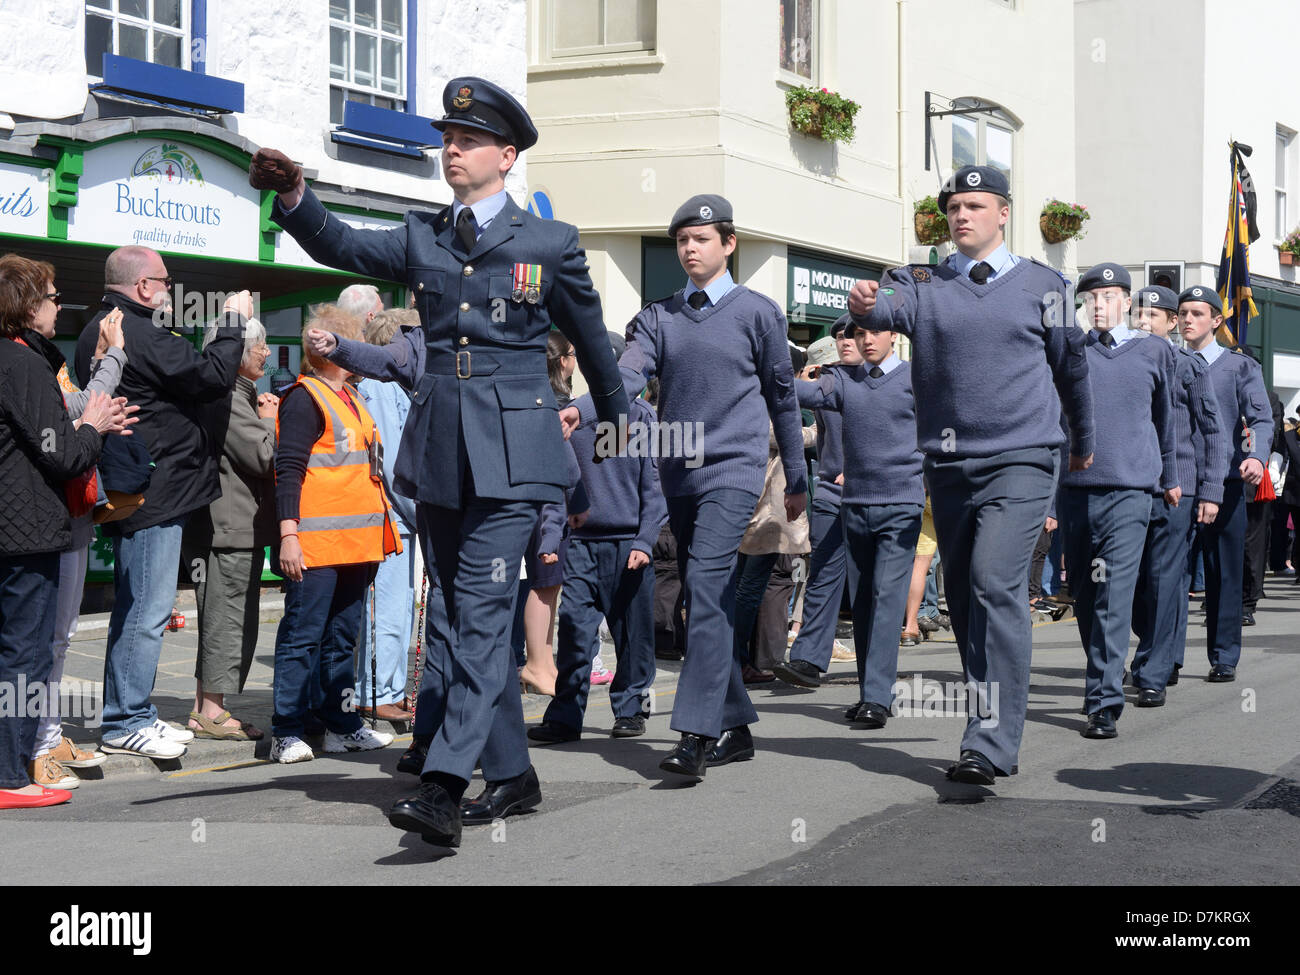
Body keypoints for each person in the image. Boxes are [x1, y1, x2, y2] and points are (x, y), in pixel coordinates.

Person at [256, 76, 628, 848]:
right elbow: (345, 245)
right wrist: (296, 195)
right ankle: (514, 771)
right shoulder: (424, 235)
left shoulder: (548, 244)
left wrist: (617, 432)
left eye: (465, 141)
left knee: (484, 616)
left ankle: (444, 784)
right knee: (461, 619)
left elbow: (595, 347)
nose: (450, 151)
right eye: (446, 141)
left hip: (516, 453)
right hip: (442, 452)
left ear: (506, 154)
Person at [849, 165, 1094, 785]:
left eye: (976, 206)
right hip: (949, 463)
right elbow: (891, 302)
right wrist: (870, 305)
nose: (963, 216)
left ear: (1004, 213)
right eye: (955, 207)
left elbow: (1072, 372)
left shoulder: (1049, 283)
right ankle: (986, 717)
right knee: (960, 597)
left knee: (993, 583)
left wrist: (1082, 443)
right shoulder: (925, 281)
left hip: (1023, 455)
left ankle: (990, 741)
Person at [590, 193, 806, 779]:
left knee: (705, 590)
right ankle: (736, 727)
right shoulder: (658, 316)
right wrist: (584, 408)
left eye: (702, 239)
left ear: (728, 244)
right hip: (679, 469)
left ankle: (694, 733)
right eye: (682, 240)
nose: (690, 249)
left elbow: (783, 398)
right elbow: (628, 374)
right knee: (701, 596)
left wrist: (797, 475)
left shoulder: (758, 313)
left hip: (735, 470)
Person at [73, 246, 252, 760]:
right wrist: (233, 323)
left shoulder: (103, 326)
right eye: (165, 281)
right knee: (146, 609)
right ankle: (125, 720)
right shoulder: (137, 330)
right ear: (143, 287)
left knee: (141, 605)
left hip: (145, 484)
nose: (171, 290)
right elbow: (213, 377)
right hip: (154, 488)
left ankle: (134, 713)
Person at [1, 254, 127, 808]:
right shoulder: (23, 363)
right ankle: (11, 777)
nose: (58, 307)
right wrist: (94, 427)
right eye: (52, 297)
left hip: (16, 528)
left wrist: (80, 422)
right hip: (26, 534)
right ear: (29, 306)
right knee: (23, 655)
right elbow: (64, 457)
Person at [270, 306, 400, 763]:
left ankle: (341, 723)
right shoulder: (305, 397)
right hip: (316, 545)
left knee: (341, 639)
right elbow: (288, 470)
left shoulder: (350, 396)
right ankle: (286, 730)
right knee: (302, 637)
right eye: (353, 346)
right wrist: (288, 536)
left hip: (355, 544)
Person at [1059, 263, 1177, 739]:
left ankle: (1103, 701)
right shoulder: (1070, 353)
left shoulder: (1154, 351)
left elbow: (1165, 421)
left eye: (1109, 297)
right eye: (1091, 299)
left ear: (1128, 303)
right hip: (1074, 493)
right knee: (1084, 597)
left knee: (1113, 594)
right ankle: (1107, 669)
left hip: (1131, 492)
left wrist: (1168, 475)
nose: (1099, 305)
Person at [529, 349, 667, 743]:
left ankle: (630, 709)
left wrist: (645, 540)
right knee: (574, 631)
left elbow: (655, 489)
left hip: (629, 546)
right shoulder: (572, 418)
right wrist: (551, 537)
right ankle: (565, 716)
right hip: (581, 546)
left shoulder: (642, 419)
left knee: (633, 634)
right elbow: (560, 485)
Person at [796, 322, 924, 728]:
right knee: (866, 602)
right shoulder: (844, 380)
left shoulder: (915, 379)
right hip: (855, 507)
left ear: (892, 337)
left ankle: (877, 698)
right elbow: (802, 392)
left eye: (874, 332)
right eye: (858, 334)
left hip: (901, 505)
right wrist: (756, 367)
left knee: (887, 599)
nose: (865, 340)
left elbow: (941, 433)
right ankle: (872, 690)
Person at [182, 317, 278, 740]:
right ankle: (214, 712)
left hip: (222, 525)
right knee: (229, 617)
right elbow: (262, 457)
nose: (268, 352)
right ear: (240, 353)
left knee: (220, 615)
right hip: (229, 527)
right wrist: (272, 420)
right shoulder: (229, 395)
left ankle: (203, 708)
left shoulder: (227, 392)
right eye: (261, 346)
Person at [1129, 285, 1225, 701]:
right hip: (1131, 485)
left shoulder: (1189, 367)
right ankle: (1156, 651)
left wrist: (1211, 491)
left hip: (1178, 490)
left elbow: (1213, 434)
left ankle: (1153, 670)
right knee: (1132, 585)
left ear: (1171, 324)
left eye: (1154, 316)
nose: (1144, 322)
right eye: (1139, 315)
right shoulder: (1119, 360)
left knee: (1165, 580)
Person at [1176, 286, 1273, 681]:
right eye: (1182, 312)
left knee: (1223, 574)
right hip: (1176, 483)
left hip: (1226, 483)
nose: (1187, 319)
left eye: (1197, 313)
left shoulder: (1239, 367)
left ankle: (1224, 656)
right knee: (1168, 576)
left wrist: (1257, 455)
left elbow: (1262, 419)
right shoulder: (1168, 361)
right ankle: (1166, 658)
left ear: (1217, 320)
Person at [775, 315, 859, 688]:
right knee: (823, 576)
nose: (845, 344)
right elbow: (812, 433)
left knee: (871, 584)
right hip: (829, 493)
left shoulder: (885, 384)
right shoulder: (825, 389)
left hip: (873, 495)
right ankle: (808, 660)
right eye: (840, 338)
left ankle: (875, 673)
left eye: (852, 337)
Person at [354, 306, 422, 723]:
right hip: (390, 517)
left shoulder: (392, 384)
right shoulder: (382, 386)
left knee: (401, 608)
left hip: (398, 517)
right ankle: (375, 692)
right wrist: (420, 510)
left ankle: (388, 690)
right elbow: (393, 461)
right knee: (388, 609)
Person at [517, 331, 579, 697]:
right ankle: (537, 662)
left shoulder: (539, 398)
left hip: (541, 500)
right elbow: (567, 467)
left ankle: (545, 660)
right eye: (572, 354)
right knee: (545, 583)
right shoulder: (555, 404)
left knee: (549, 584)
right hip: (548, 503)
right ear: (562, 361)